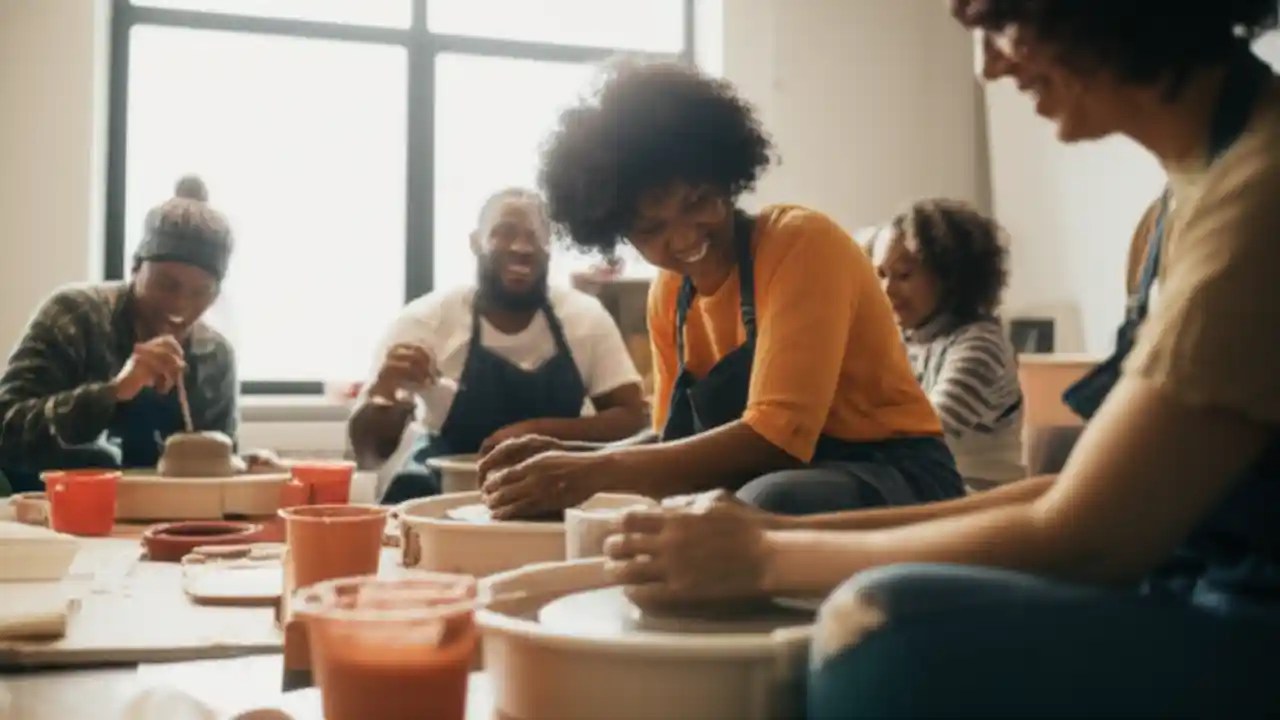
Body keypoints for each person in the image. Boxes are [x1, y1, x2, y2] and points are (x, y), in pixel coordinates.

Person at [603, 2, 1280, 715]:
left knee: (883, 636)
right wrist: (774, 537)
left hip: (1247, 615)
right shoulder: (1179, 204)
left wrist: (767, 556)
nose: (989, 65)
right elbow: (1075, 493)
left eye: (1001, 22)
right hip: (1182, 577)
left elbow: (1091, 538)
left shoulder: (1258, 200)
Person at [478, 62, 964, 520]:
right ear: (619, 235)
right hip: (776, 475)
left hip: (897, 476)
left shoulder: (799, 243)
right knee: (690, 510)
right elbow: (675, 444)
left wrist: (591, 472)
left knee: (761, 502)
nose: (686, 236)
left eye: (699, 202)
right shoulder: (669, 295)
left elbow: (775, 439)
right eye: (653, 228)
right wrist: (571, 457)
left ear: (727, 180)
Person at [348, 187, 648, 504]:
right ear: (476, 243)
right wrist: (384, 392)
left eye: (535, 236)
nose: (522, 247)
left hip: (554, 490)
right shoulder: (427, 322)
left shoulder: (584, 318)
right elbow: (369, 454)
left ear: (549, 249)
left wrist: (536, 433)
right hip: (445, 492)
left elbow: (631, 417)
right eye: (504, 233)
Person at [0, 176, 240, 492]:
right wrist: (114, 393)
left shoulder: (214, 357)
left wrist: (249, 469)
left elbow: (216, 471)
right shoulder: (76, 316)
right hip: (47, 514)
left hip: (154, 523)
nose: (181, 305)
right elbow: (7, 430)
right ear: (135, 267)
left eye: (201, 292)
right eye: (167, 284)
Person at [866, 199, 1025, 490]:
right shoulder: (903, 340)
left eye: (904, 275)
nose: (887, 289)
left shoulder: (980, 344)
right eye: (881, 275)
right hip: (923, 486)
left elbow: (926, 432)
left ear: (949, 276)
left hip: (977, 496)